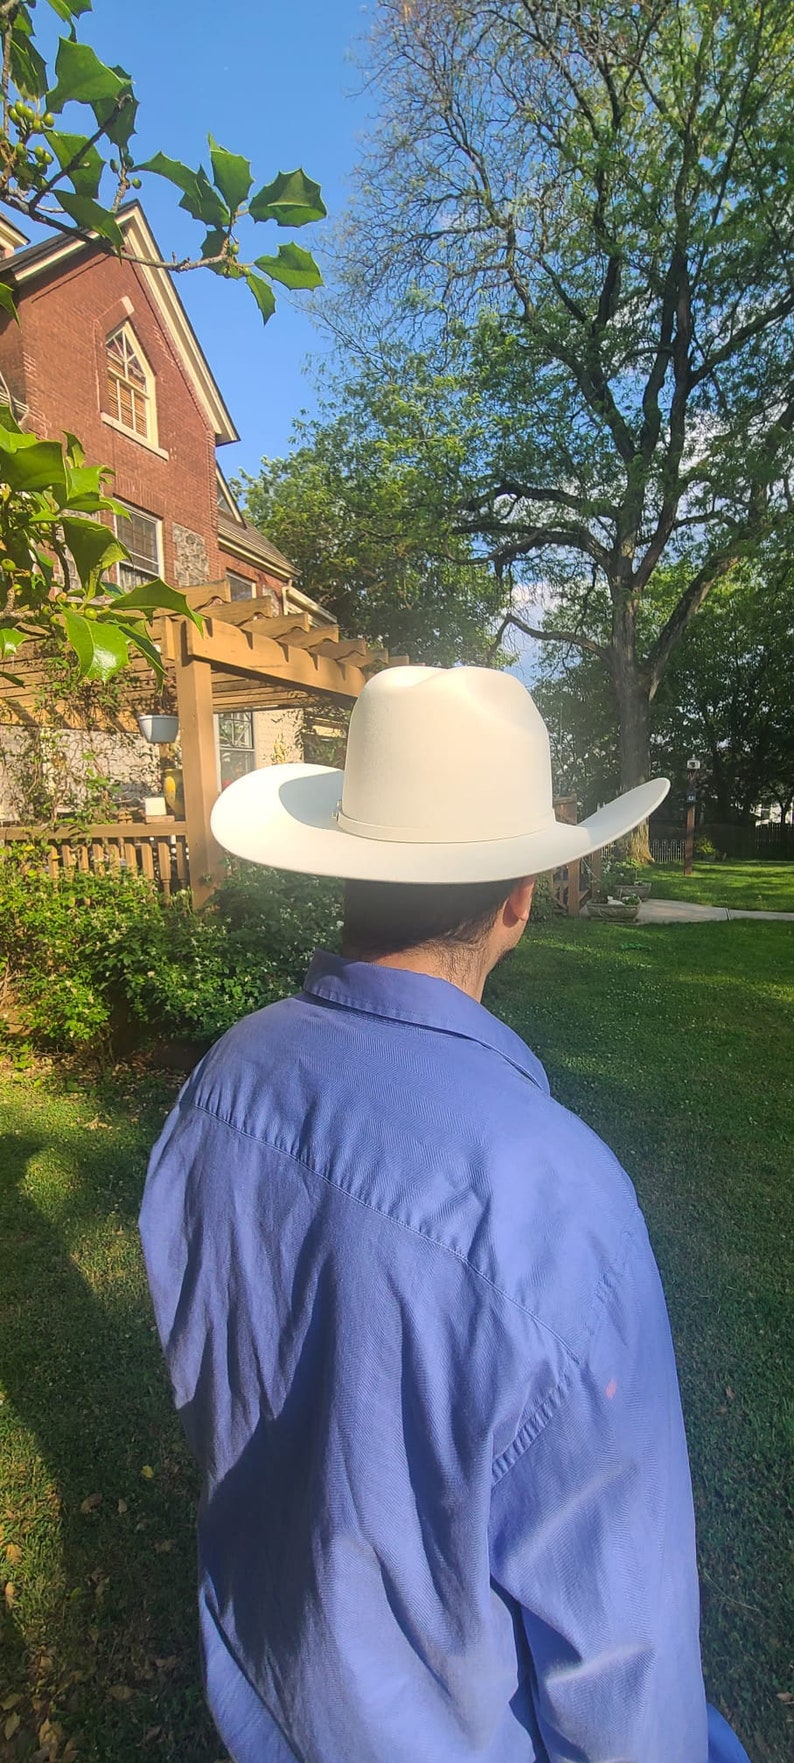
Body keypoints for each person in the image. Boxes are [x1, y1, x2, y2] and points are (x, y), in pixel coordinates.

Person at [140, 665, 751, 1763]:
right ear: (517, 897)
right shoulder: (554, 1197)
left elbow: (210, 1361)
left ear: (343, 868)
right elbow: (619, 1656)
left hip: (264, 1673)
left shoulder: (226, 1074)